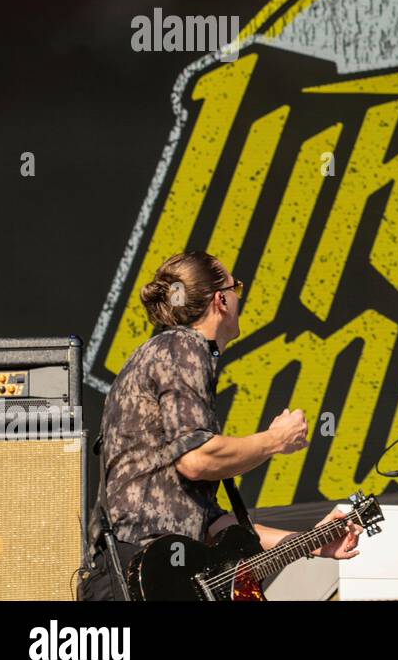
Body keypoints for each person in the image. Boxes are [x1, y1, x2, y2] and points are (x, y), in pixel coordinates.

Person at [79, 251, 361, 601]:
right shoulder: (183, 346)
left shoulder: (167, 354)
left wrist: (309, 541)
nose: (239, 296)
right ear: (220, 299)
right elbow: (197, 460)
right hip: (144, 576)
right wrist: (275, 440)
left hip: (150, 574)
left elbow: (216, 528)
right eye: (236, 287)